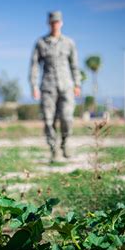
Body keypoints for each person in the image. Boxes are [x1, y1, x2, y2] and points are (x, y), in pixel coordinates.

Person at [29, 10, 81, 163]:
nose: (55, 25)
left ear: (62, 23)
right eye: (52, 22)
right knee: (48, 120)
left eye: (57, 22)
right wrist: (33, 86)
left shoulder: (69, 43)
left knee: (67, 117)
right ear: (48, 23)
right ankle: (54, 150)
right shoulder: (40, 43)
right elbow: (34, 66)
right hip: (48, 86)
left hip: (66, 87)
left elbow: (75, 65)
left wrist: (77, 84)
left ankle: (66, 143)